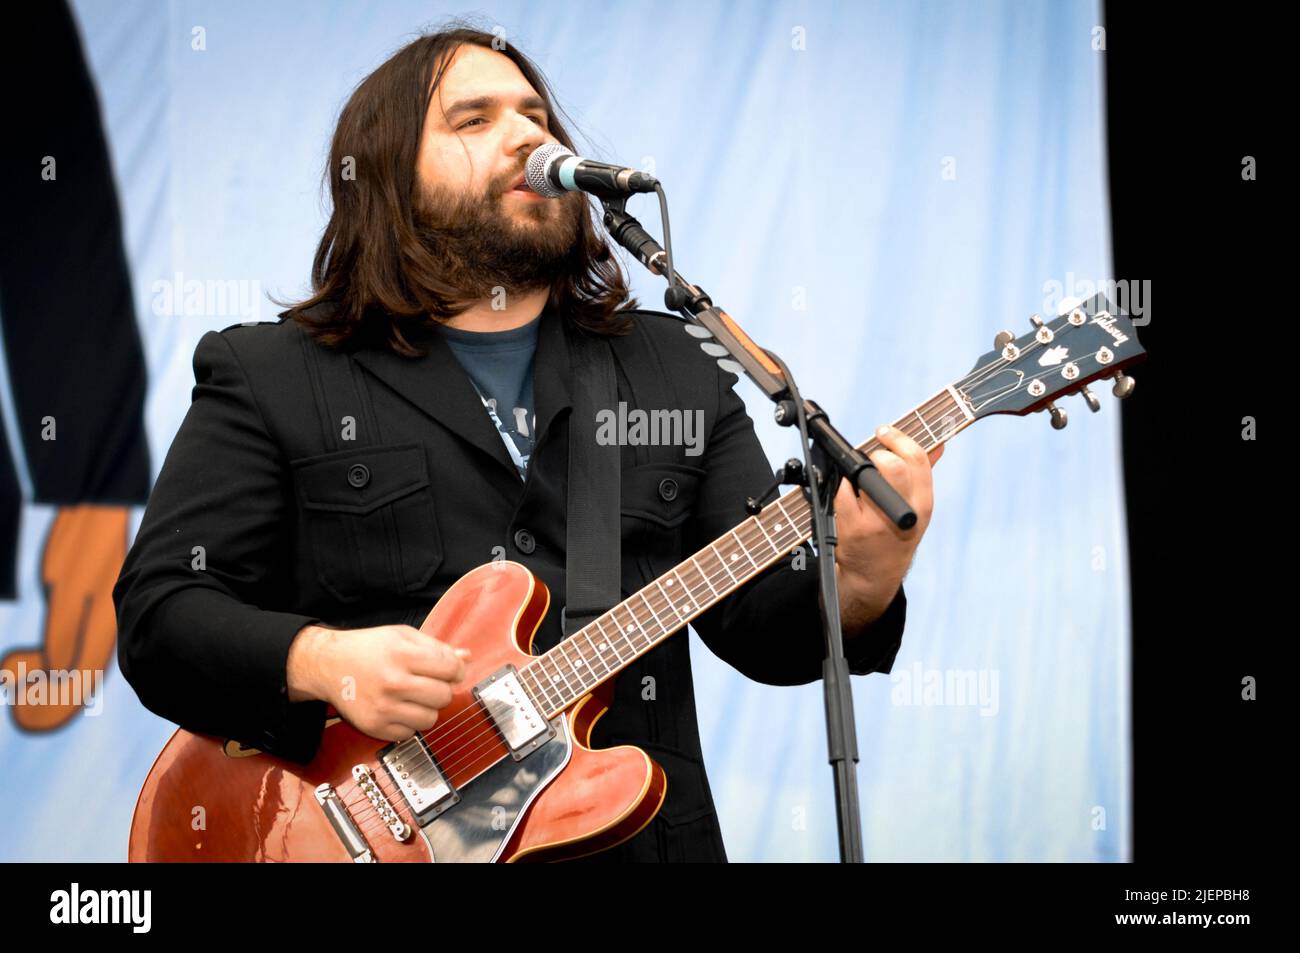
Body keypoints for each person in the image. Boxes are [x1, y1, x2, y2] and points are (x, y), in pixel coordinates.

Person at [112, 26, 940, 863]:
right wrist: (322, 659)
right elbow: (162, 616)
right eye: (474, 120)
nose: (527, 135)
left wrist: (863, 575)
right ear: (390, 177)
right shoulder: (275, 374)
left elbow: (760, 628)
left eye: (536, 115)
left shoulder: (671, 362)